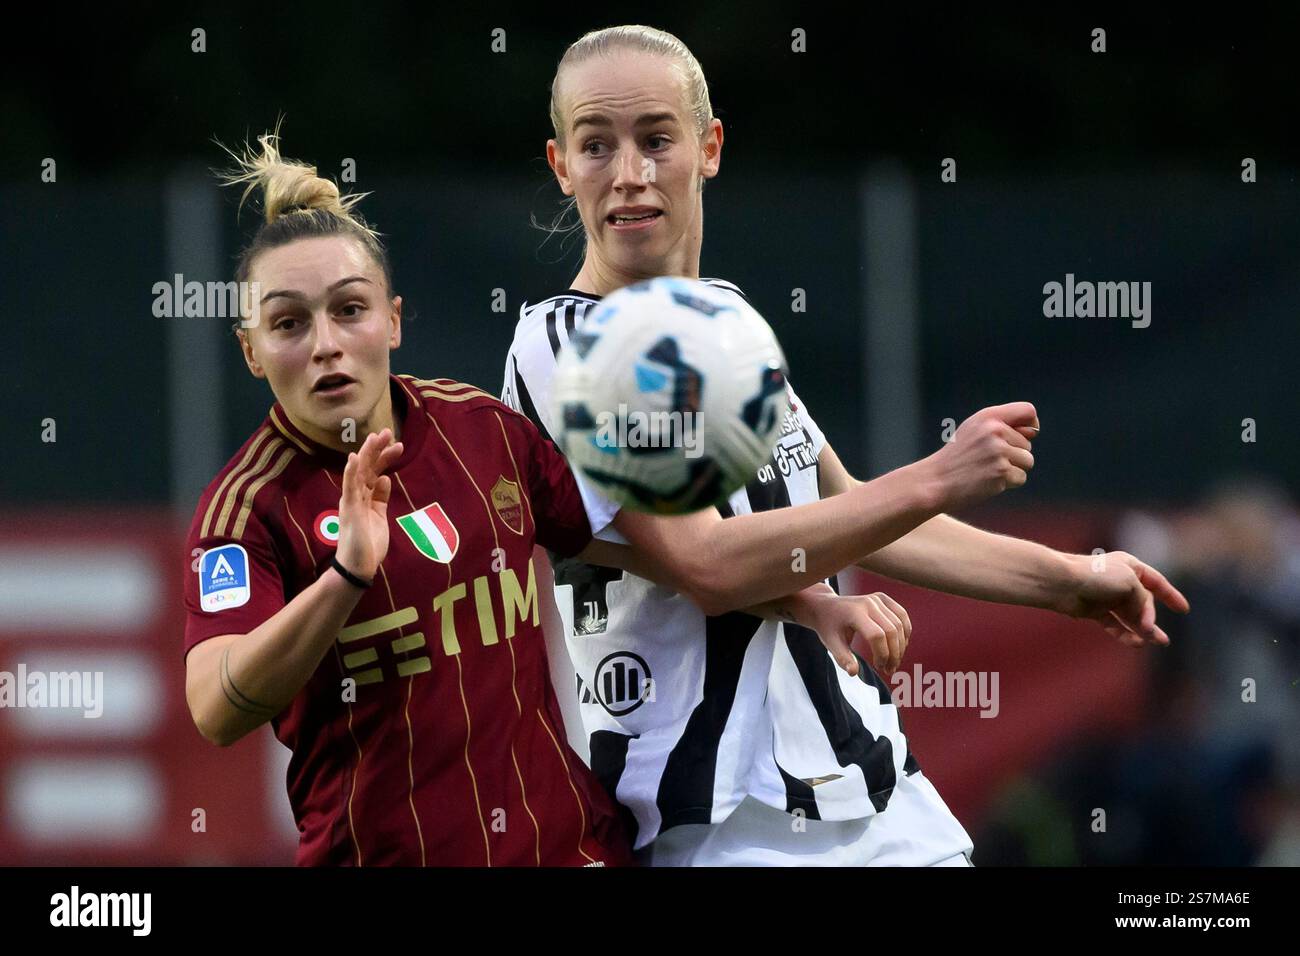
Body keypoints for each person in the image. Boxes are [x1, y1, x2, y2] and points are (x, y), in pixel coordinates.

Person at [501, 24, 1190, 866]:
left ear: (709, 146)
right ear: (560, 164)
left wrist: (1072, 581)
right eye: (596, 146)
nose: (630, 174)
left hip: (869, 782)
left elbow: (847, 505)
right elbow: (706, 563)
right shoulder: (561, 342)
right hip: (712, 819)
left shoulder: (730, 318)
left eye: (656, 139)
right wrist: (936, 477)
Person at [182, 130, 945, 866]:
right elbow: (218, 708)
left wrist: (808, 601)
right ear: (250, 350)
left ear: (394, 321)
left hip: (568, 850)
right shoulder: (247, 510)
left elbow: (655, 554)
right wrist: (344, 578)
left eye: (350, 309)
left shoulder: (482, 433)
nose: (324, 343)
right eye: (288, 323)